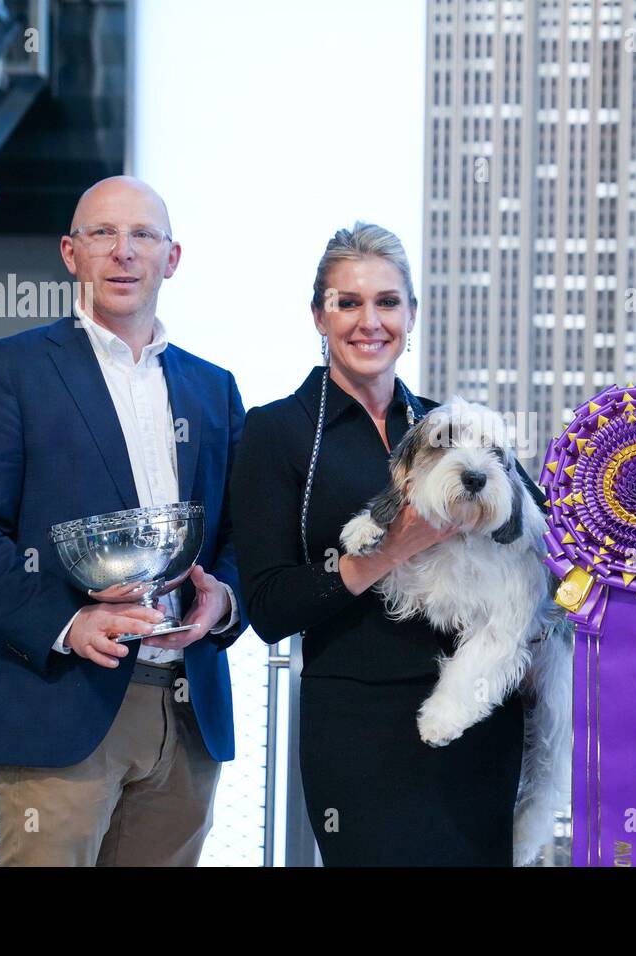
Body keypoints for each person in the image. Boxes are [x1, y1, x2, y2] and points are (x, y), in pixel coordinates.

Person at [0, 176, 246, 865]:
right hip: (63, 700)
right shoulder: (8, 370)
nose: (123, 251)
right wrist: (66, 623)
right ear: (71, 254)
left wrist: (224, 600)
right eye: (102, 234)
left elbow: (237, 539)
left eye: (143, 235)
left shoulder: (213, 389)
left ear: (174, 257)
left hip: (188, 715)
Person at [230, 222, 535, 865]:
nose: (370, 322)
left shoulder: (454, 430)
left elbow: (535, 536)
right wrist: (391, 549)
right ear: (319, 314)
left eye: (388, 302)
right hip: (359, 735)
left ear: (412, 314)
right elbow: (269, 605)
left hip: (479, 727)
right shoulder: (277, 433)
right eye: (348, 302)